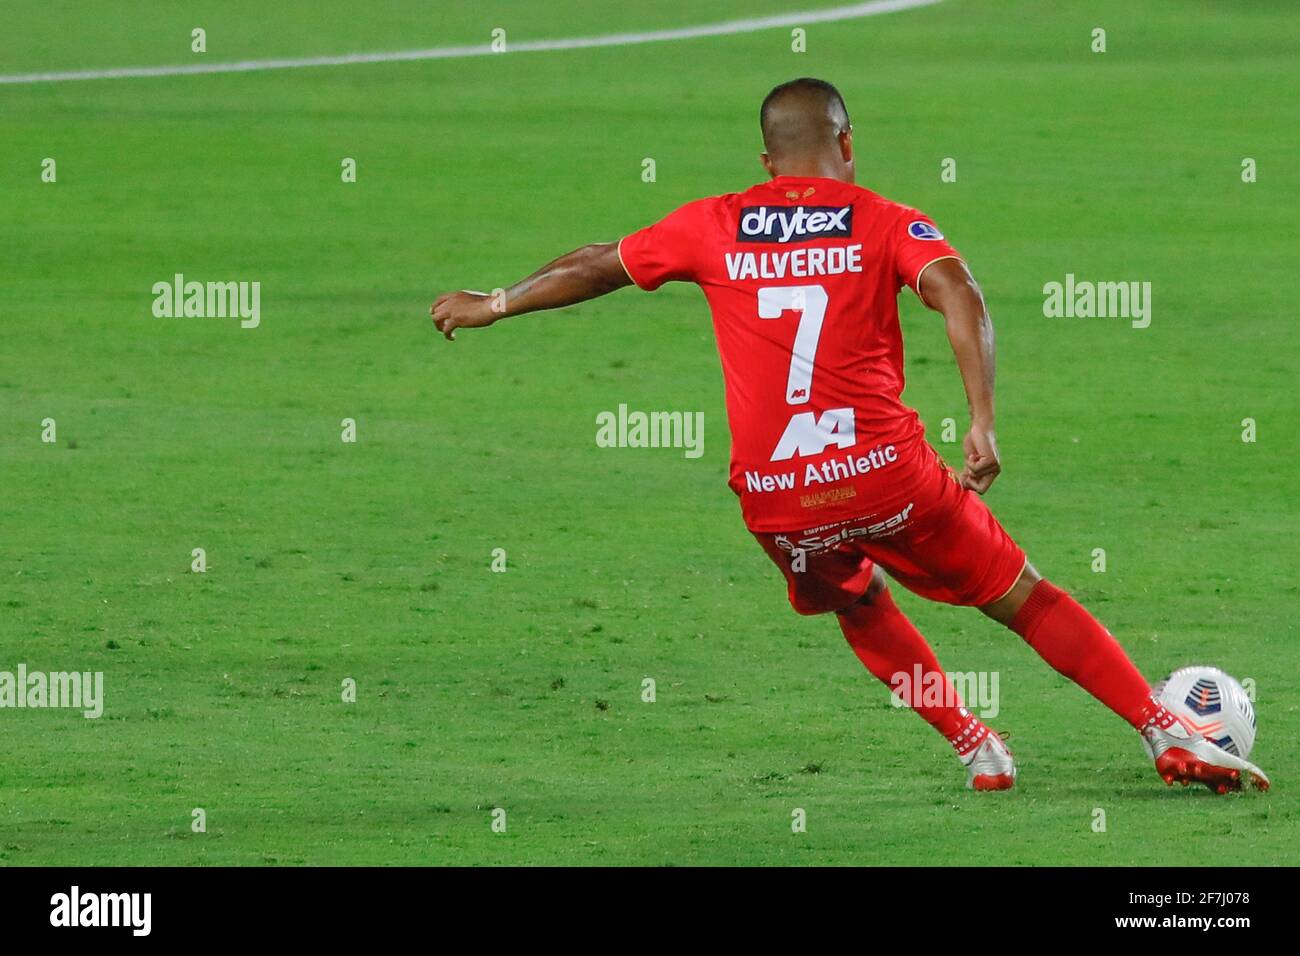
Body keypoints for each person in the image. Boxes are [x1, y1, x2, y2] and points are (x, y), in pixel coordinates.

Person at [431, 77, 1268, 794]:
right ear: (847, 143)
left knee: (857, 599)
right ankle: (1163, 728)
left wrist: (496, 302)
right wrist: (980, 419)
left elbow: (600, 261)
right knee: (1022, 596)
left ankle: (979, 750)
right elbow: (960, 294)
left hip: (776, 498)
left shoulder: (714, 222)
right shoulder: (881, 219)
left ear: (767, 162)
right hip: (887, 475)